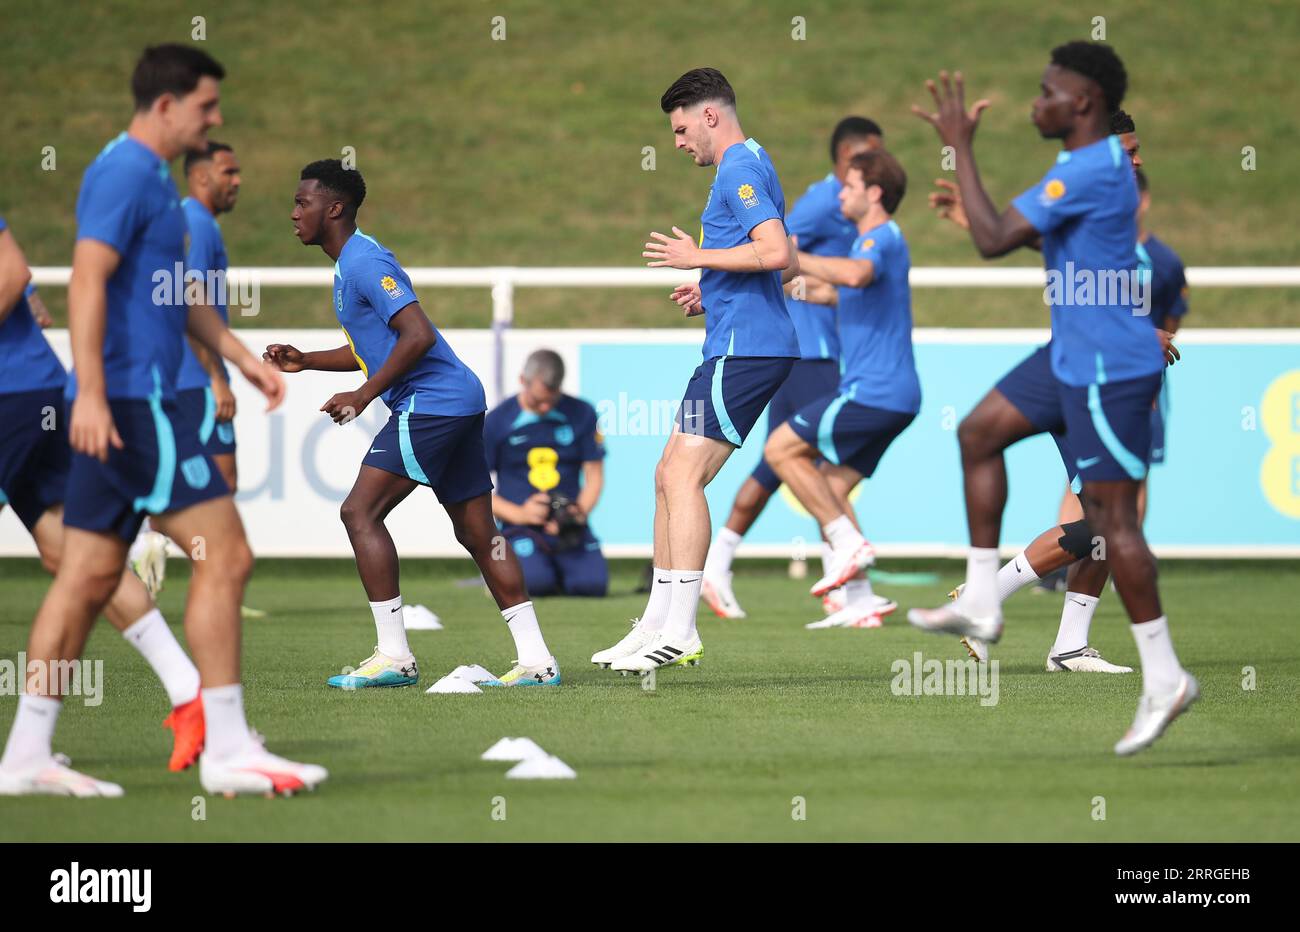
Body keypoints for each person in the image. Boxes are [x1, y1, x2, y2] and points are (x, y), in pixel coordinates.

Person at [0, 44, 324, 798]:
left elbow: (174, 293)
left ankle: (24, 754)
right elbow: (86, 280)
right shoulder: (124, 172)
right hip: (137, 406)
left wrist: (238, 356)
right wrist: (89, 393)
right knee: (227, 556)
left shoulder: (149, 178)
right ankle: (229, 747)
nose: (215, 120)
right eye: (207, 106)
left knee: (85, 575)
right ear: (167, 105)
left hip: (122, 403)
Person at [907, 42, 1197, 756]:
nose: (1036, 103)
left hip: (1106, 367)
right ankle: (986, 600)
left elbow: (995, 238)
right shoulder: (1086, 168)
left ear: (1083, 102)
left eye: (1047, 92)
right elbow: (1062, 250)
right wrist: (978, 217)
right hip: (1069, 354)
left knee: (1111, 524)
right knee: (979, 433)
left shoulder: (1094, 168)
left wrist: (959, 146)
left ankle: (1163, 677)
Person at [265, 159, 559, 689]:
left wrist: (362, 395)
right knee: (478, 533)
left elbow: (416, 335)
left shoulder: (363, 261)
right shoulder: (351, 263)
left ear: (334, 209)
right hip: (456, 401)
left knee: (360, 512)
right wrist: (307, 360)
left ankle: (395, 656)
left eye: (302, 203)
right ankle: (538, 662)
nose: (293, 213)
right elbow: (374, 347)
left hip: (432, 403)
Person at [591, 67, 800, 674]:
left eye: (681, 130)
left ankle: (680, 630)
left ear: (710, 115)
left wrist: (697, 257)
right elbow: (782, 265)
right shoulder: (755, 160)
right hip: (739, 342)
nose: (679, 143)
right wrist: (711, 286)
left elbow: (777, 252)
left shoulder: (737, 169)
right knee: (667, 474)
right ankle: (655, 623)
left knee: (682, 477)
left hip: (747, 349)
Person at [0, 216, 207, 773]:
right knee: (76, 558)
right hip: (33, 391)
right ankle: (189, 691)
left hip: (10, 398)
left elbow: (11, 272)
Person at [700, 117, 883, 620]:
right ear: (845, 156)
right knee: (822, 463)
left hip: (807, 346)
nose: (877, 164)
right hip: (810, 347)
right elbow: (778, 255)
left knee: (781, 462)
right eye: (867, 155)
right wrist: (811, 286)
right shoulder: (827, 201)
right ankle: (851, 588)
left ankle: (719, 563)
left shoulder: (848, 200)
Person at [765, 149, 919, 629]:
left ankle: (849, 545)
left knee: (779, 450)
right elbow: (834, 292)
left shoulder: (878, 238)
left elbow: (855, 275)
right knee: (831, 487)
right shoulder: (871, 242)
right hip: (895, 397)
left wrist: (794, 256)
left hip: (874, 392)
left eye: (849, 187)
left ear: (874, 193)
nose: (841, 195)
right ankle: (861, 600)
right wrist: (776, 280)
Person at [484, 349, 608, 597]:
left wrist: (576, 513)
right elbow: (476, 489)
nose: (545, 407)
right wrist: (520, 514)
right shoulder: (497, 421)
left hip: (567, 524)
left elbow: (594, 475)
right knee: (533, 583)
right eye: (538, 400)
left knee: (592, 585)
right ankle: (500, 569)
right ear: (523, 380)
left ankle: (560, 570)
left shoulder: (582, 413)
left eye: (551, 400)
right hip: (518, 526)